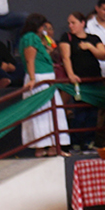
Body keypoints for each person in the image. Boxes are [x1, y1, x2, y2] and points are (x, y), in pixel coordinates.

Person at [18, 13, 67, 155]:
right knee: (40, 113)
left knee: (51, 112)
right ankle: (41, 147)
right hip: (39, 78)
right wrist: (32, 79)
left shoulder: (37, 39)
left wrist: (47, 47)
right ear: (38, 26)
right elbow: (30, 59)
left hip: (45, 78)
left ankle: (53, 146)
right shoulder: (30, 37)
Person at [59, 11, 105, 150]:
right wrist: (71, 74)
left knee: (93, 113)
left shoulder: (93, 38)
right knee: (80, 113)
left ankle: (89, 141)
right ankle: (75, 141)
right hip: (80, 80)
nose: (70, 26)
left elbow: (103, 55)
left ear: (82, 23)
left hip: (94, 78)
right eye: (69, 23)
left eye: (73, 23)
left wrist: (90, 47)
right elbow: (65, 57)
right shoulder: (67, 38)